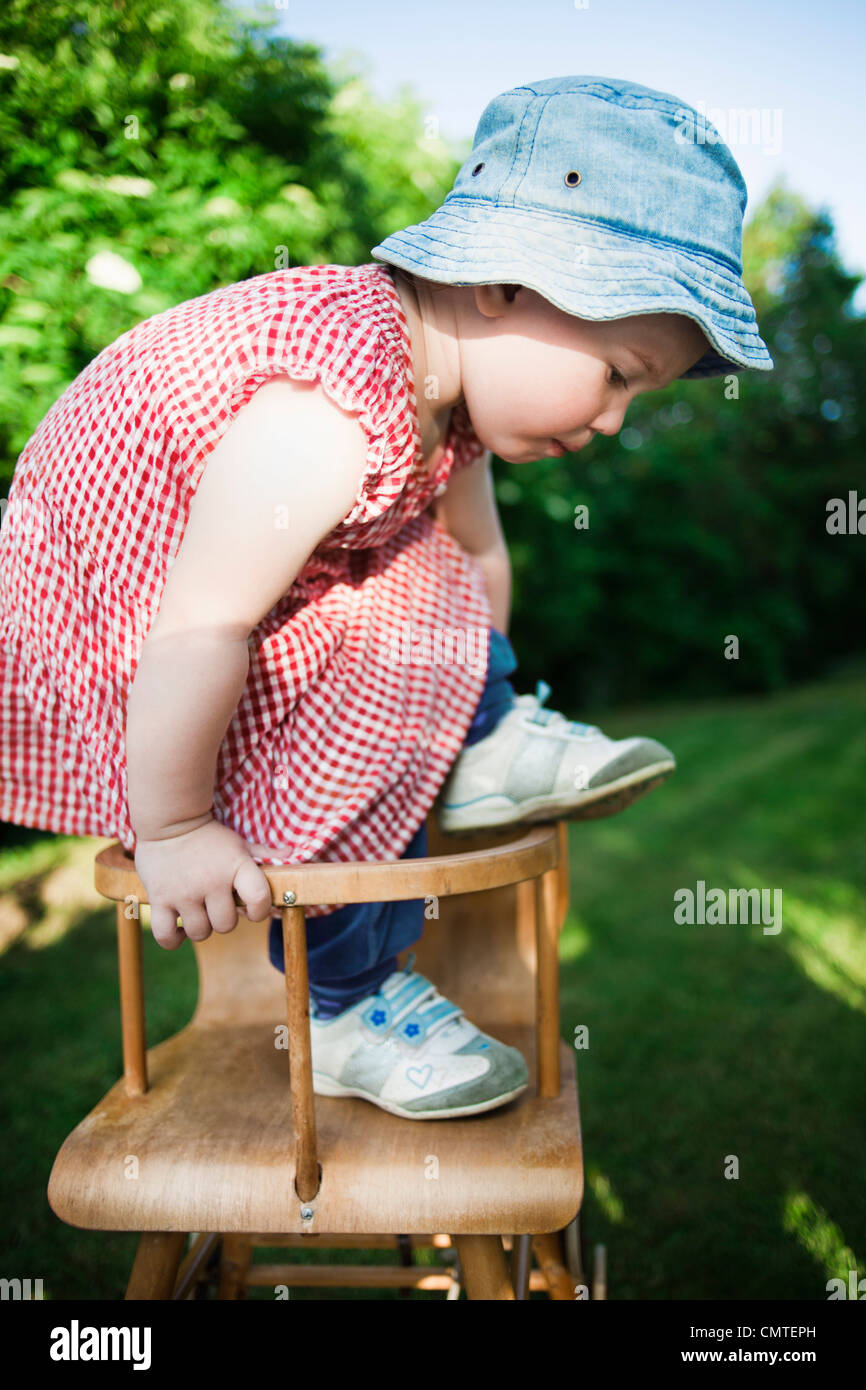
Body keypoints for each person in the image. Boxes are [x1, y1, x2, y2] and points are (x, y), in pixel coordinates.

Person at [0, 75, 773, 1121]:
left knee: (418, 594)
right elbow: (196, 625)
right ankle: (341, 1000)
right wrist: (175, 826)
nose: (615, 423)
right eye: (618, 374)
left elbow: (480, 559)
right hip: (133, 629)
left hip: (225, 613)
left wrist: (464, 723)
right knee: (370, 673)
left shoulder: (441, 399)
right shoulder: (328, 408)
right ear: (499, 286)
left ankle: (484, 747)